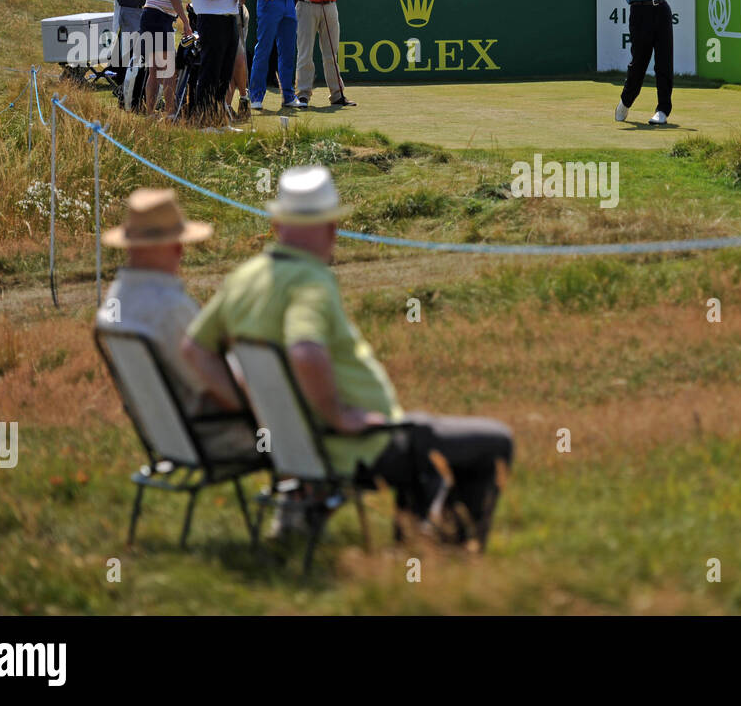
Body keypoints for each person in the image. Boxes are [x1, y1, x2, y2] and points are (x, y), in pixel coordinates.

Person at [180, 166, 513, 547]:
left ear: (276, 224)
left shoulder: (244, 277)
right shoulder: (311, 281)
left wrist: (249, 407)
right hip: (356, 446)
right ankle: (448, 555)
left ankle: (410, 542)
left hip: (293, 446)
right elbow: (305, 351)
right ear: (331, 228)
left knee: (422, 433)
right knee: (495, 441)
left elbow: (194, 349)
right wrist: (338, 415)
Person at [96, 188, 253, 461]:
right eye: (177, 243)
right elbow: (221, 385)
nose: (181, 251)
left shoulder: (114, 301)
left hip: (162, 437)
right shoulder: (169, 307)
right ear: (175, 246)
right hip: (213, 436)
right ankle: (304, 493)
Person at [140, 0, 194, 118]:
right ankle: (170, 113)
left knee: (155, 70)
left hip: (153, 18)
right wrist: (186, 22)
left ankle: (151, 113)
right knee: (168, 70)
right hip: (158, 18)